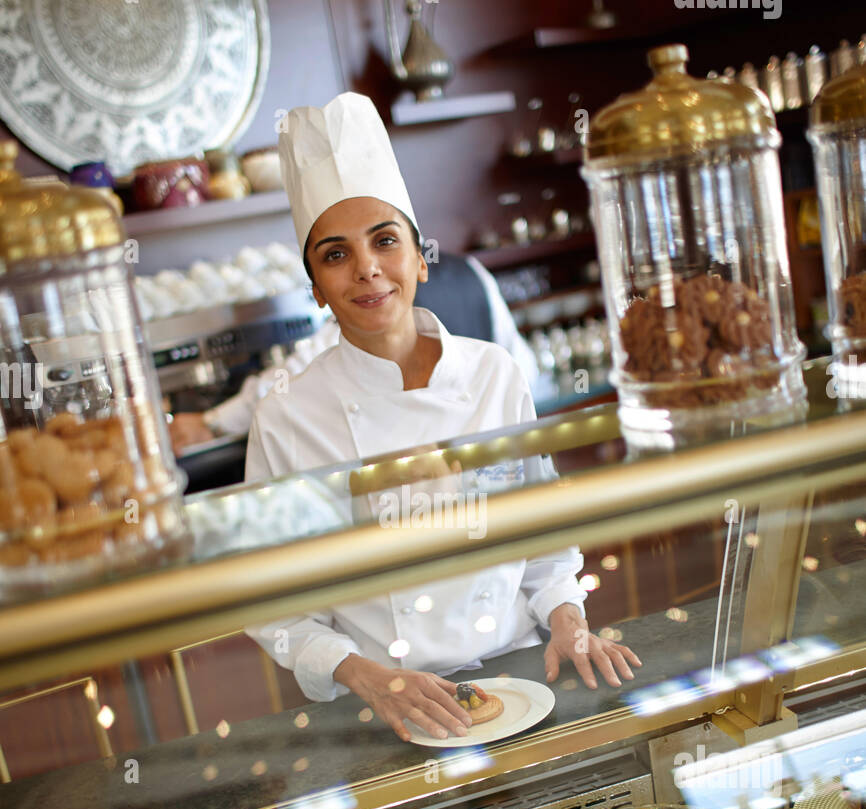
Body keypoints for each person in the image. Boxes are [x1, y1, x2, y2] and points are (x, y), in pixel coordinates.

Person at [245, 92, 639, 742]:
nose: (367, 268)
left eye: (385, 241)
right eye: (335, 254)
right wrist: (370, 679)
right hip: (380, 707)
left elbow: (542, 534)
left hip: (519, 677)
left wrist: (570, 622)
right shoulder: (287, 415)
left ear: (421, 258)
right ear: (315, 287)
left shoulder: (492, 374)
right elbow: (273, 603)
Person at [167, 251, 537, 452]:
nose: (367, 268)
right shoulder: (470, 271)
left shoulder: (373, 297)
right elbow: (529, 370)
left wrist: (210, 423)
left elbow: (296, 371)